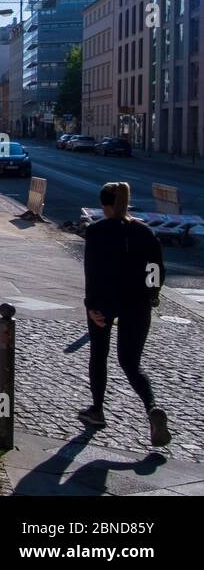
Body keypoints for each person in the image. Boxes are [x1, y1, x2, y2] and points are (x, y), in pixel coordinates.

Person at [77, 182, 171, 446]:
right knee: (130, 363)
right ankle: (151, 407)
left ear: (104, 205)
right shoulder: (144, 231)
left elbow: (92, 271)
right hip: (137, 304)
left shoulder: (97, 231)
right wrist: (152, 295)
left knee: (99, 355)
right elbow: (156, 270)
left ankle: (97, 410)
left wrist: (91, 305)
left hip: (105, 302)